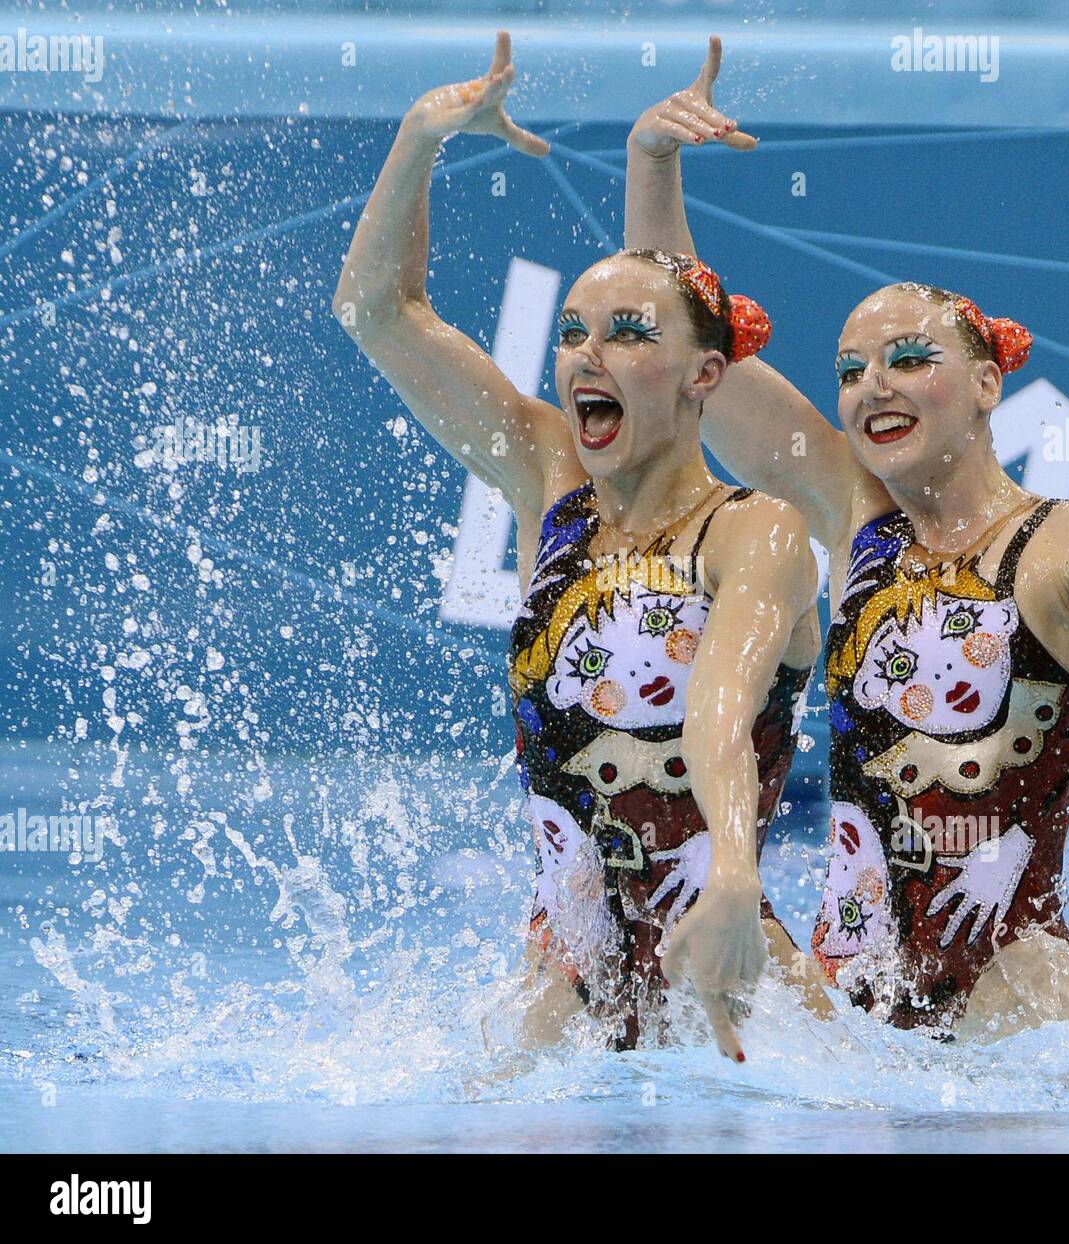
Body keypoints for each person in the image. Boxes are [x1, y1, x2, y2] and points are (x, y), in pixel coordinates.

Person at [623, 36, 1069, 1038]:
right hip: (844, 1003)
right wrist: (652, 165)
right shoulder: (855, 518)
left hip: (1011, 993)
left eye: (908, 359)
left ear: (988, 382)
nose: (871, 387)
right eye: (851, 369)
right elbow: (694, 360)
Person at [333, 32, 827, 1059]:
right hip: (563, 970)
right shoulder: (548, 480)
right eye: (570, 331)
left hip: (732, 965)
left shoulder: (756, 530)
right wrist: (421, 139)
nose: (585, 354)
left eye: (628, 333)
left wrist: (734, 865)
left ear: (704, 378)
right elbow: (376, 312)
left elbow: (723, 711)